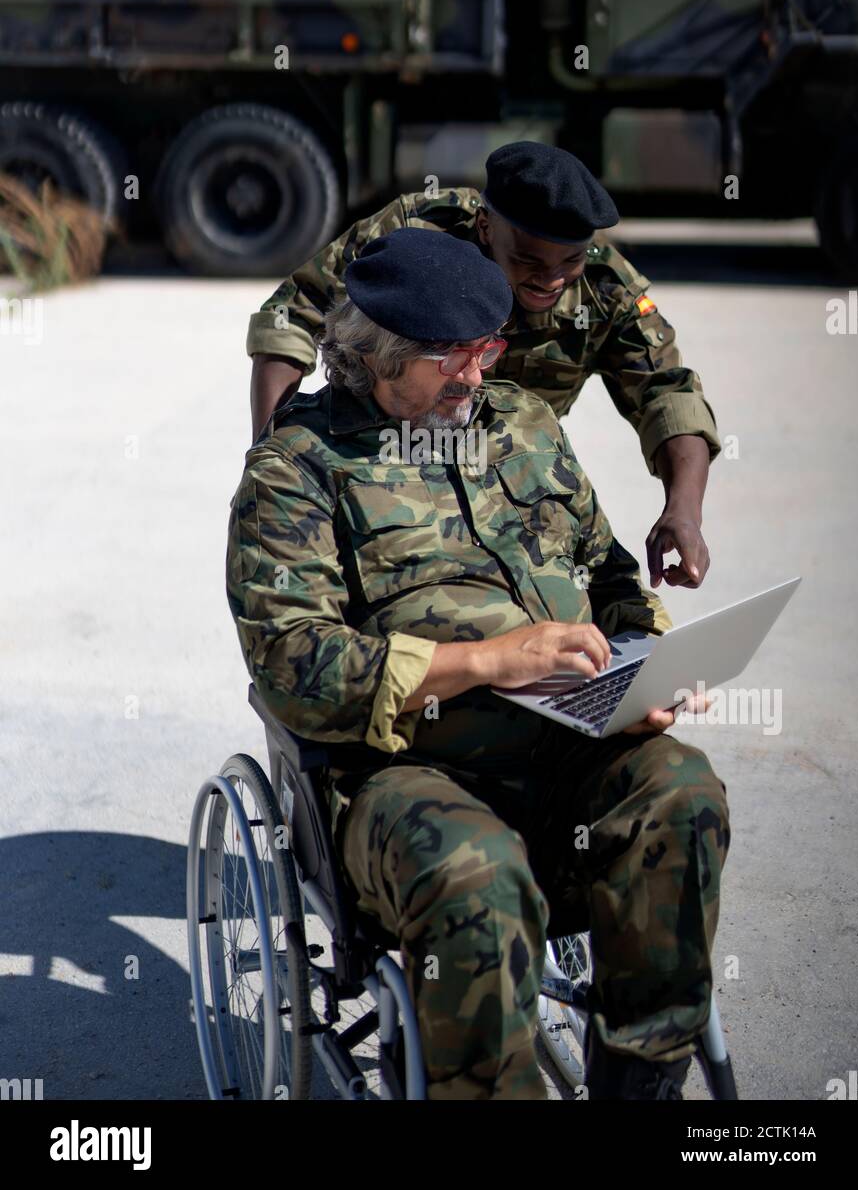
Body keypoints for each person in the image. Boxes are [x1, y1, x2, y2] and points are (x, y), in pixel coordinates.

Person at [227, 227, 729, 1100]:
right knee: (475, 874)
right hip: (407, 770)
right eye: (450, 358)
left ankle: (642, 1088)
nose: (477, 374)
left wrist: (650, 657)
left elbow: (606, 571)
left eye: (487, 348)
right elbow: (293, 667)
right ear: (377, 358)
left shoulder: (521, 424)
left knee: (680, 794)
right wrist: (489, 660)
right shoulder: (295, 471)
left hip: (572, 740)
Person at [246, 140, 720, 591]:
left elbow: (668, 394)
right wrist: (272, 463)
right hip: (380, 460)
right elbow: (290, 319)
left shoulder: (604, 286)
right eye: (529, 260)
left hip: (505, 474)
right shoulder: (415, 234)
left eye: (569, 260)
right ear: (486, 226)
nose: (551, 279)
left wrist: (684, 510)